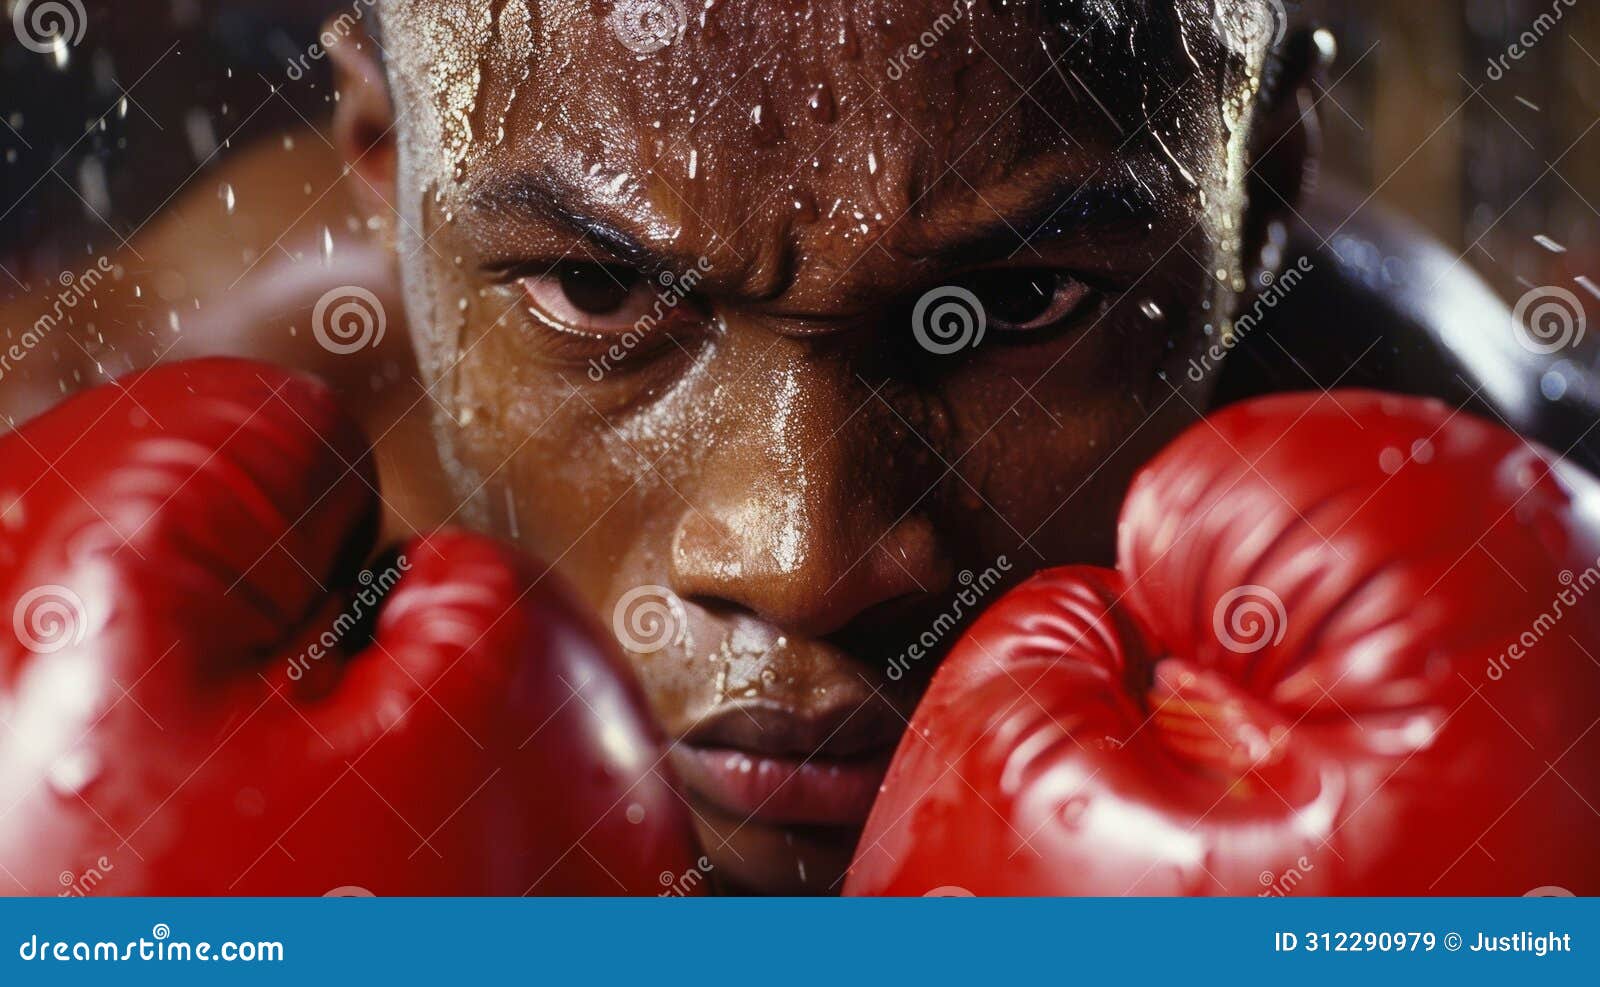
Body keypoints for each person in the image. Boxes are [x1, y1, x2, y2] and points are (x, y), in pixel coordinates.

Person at [0, 1, 1468, 893]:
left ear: (1260, 202)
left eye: (1019, 304)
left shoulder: (1453, 512)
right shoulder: (116, 408)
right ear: (387, 165)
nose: (805, 560)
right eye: (599, 289)